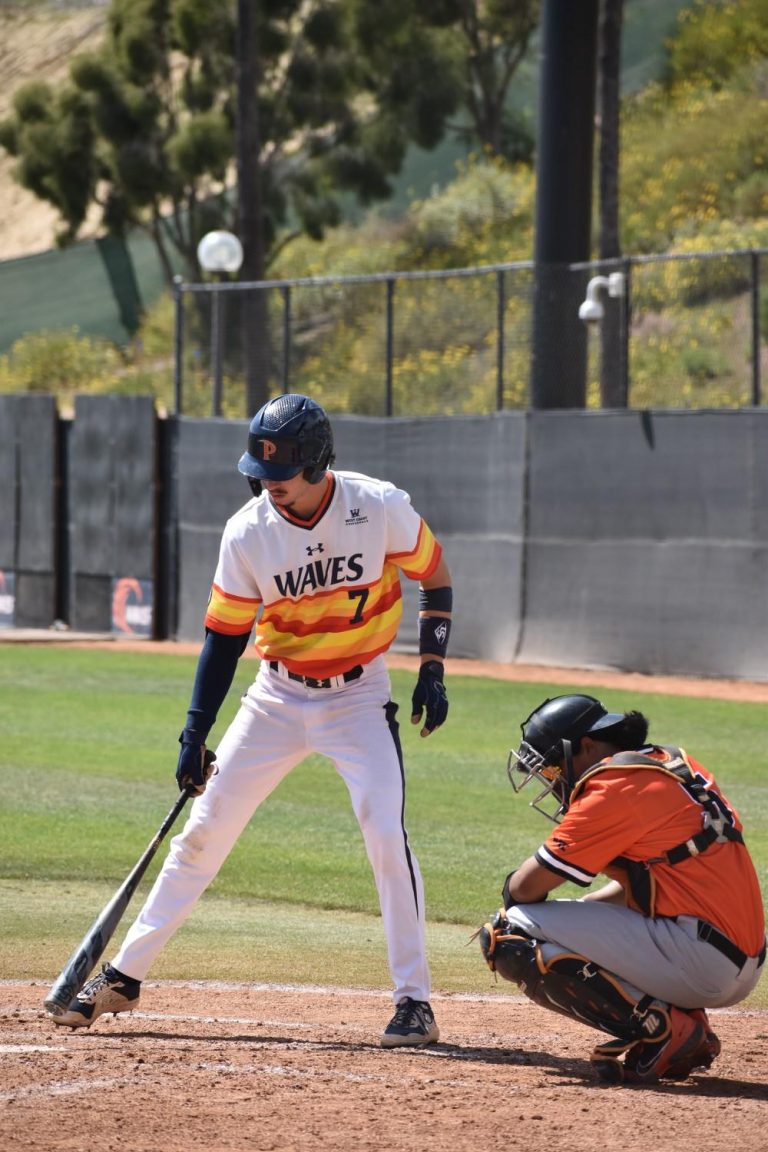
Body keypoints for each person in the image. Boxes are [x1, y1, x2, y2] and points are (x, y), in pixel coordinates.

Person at [53, 393, 452, 1047]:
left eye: (280, 474)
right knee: (204, 833)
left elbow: (435, 578)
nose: (267, 485)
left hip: (358, 698)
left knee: (386, 831)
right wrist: (194, 732)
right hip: (277, 698)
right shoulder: (248, 533)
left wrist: (431, 669)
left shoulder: (379, 507)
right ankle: (125, 976)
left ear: (319, 465)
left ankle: (414, 1001)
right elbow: (223, 639)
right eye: (259, 474)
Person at [478, 693, 766, 1084]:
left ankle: (662, 1029)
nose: (553, 778)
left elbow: (525, 890)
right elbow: (649, 883)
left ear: (588, 747)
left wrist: (517, 889)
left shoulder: (615, 785)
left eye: (551, 769)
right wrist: (580, 922)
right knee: (565, 919)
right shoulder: (668, 765)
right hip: (732, 954)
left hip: (703, 959)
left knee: (508, 931)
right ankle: (680, 1021)